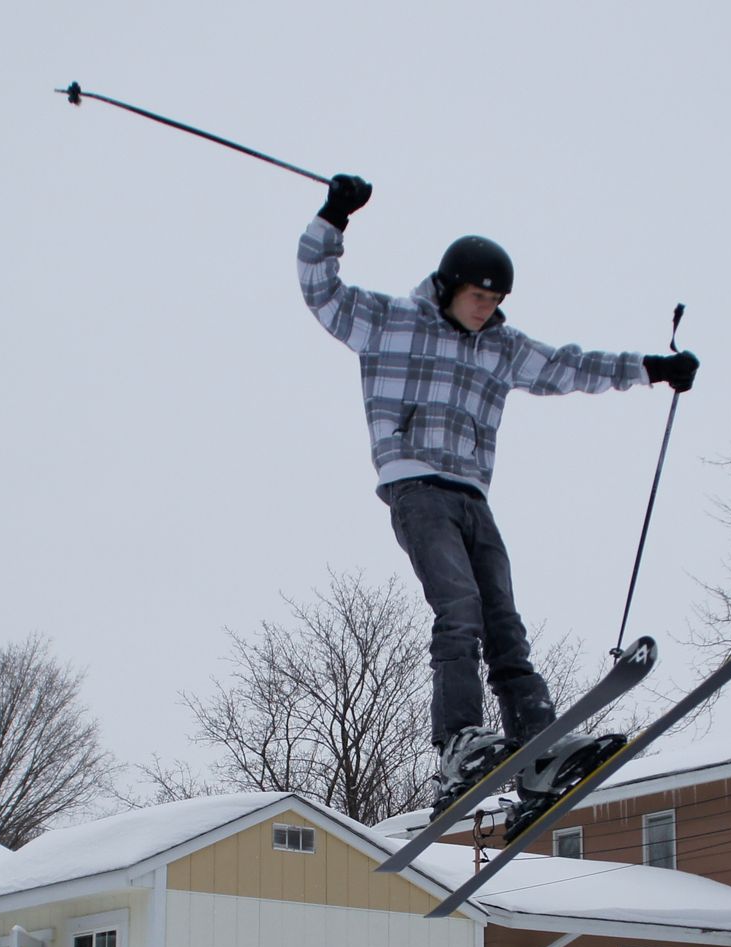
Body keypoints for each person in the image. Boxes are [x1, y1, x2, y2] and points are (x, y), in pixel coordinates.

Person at [297, 173, 699, 811]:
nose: (486, 308)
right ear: (450, 286)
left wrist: (652, 369)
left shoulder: (503, 349)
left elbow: (571, 365)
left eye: (497, 299)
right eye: (478, 296)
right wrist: (334, 216)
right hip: (415, 488)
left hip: (473, 497)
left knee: (504, 623)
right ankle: (458, 740)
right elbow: (321, 291)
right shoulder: (389, 321)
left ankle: (537, 750)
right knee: (458, 608)